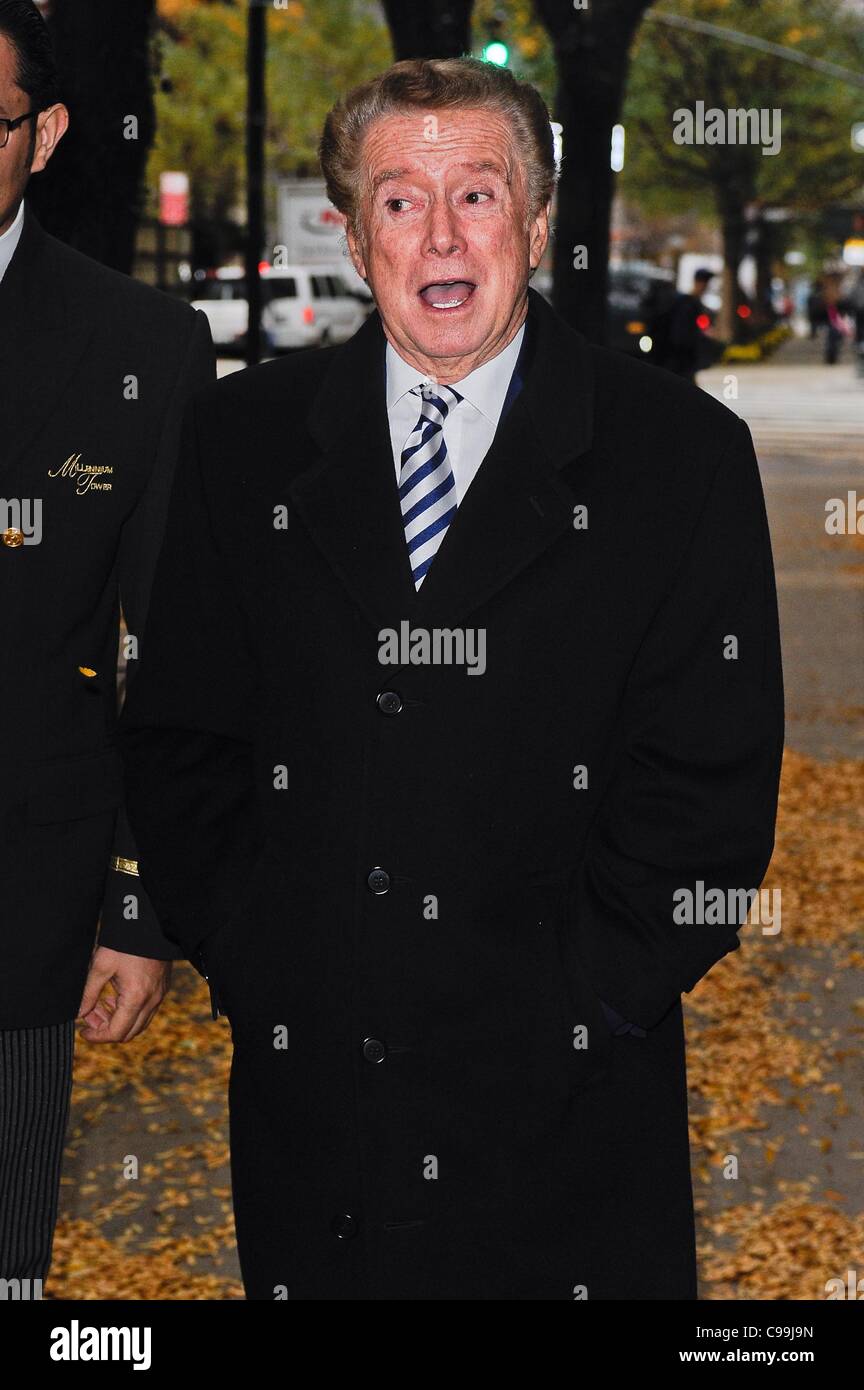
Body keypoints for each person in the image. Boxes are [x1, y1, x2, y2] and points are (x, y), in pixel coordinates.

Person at [121, 57, 784, 1301]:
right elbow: (179, 732)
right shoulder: (240, 439)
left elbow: (710, 788)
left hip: (568, 1109)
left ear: (537, 224)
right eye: (398, 198)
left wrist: (579, 998)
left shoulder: (680, 458)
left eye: (477, 194)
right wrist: (260, 957)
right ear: (352, 229)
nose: (440, 233)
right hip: (319, 1111)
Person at [0, 0, 214, 1290]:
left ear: (48, 132)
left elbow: (178, 655)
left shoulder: (140, 349)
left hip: (21, 919)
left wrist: (140, 907)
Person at [650, 266, 716, 381]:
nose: (705, 286)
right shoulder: (687, 304)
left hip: (681, 362)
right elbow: (681, 336)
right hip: (680, 362)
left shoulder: (692, 303)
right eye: (704, 282)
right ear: (697, 282)